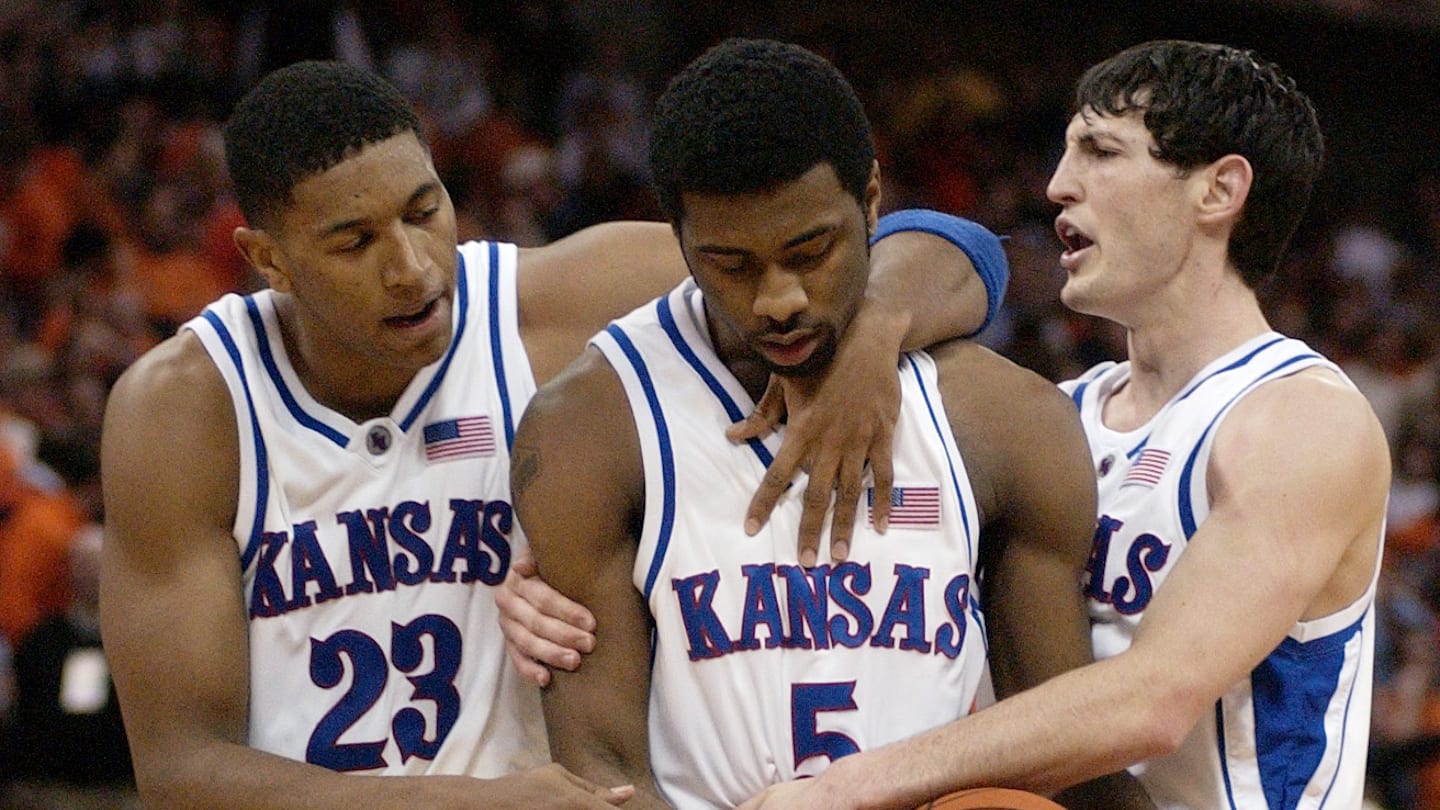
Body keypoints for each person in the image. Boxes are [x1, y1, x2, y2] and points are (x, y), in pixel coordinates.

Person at [504, 40, 1391, 810]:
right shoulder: (1064, 417)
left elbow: (1148, 702)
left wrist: (849, 787)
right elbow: (957, 255)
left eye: (1101, 151)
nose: (1056, 183)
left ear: (1219, 190)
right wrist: (539, 592)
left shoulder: (1299, 420)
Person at [97, 59, 1001, 809]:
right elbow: (181, 769)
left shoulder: (546, 308)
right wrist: (464, 805)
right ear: (267, 259)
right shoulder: (183, 409)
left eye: (423, 211)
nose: (411, 269)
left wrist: (871, 340)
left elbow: (951, 249)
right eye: (353, 241)